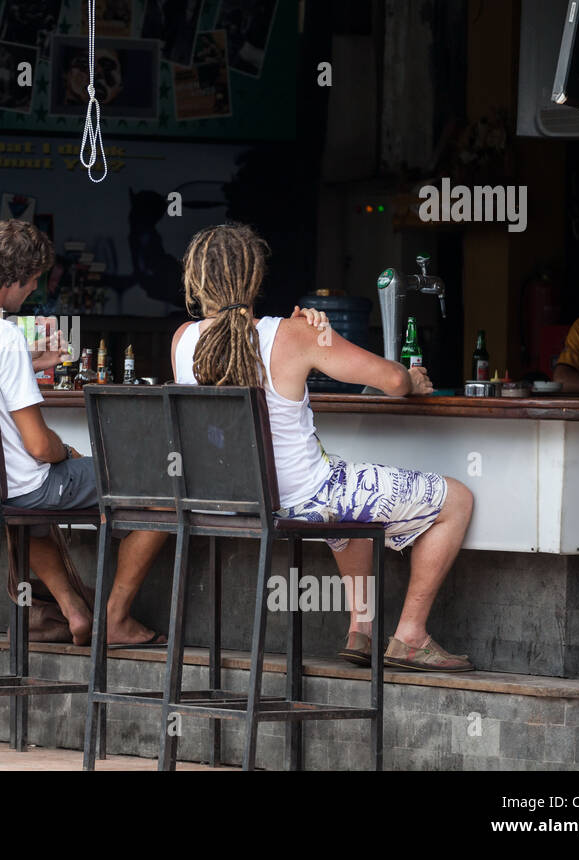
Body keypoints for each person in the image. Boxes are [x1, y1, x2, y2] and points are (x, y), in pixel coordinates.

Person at [172, 224, 476, 672]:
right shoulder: (293, 334)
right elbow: (392, 381)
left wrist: (310, 331)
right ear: (256, 278)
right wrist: (410, 378)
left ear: (195, 281)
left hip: (231, 505)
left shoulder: (182, 340)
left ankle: (362, 630)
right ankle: (410, 635)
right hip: (302, 499)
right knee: (456, 498)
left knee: (343, 497)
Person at [0, 220, 167, 647]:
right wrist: (64, 452)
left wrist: (29, 366)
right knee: (162, 488)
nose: (31, 291)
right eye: (31, 282)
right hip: (20, 489)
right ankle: (115, 617)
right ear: (12, 279)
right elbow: (38, 446)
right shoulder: (2, 335)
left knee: (25, 508)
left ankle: (75, 612)